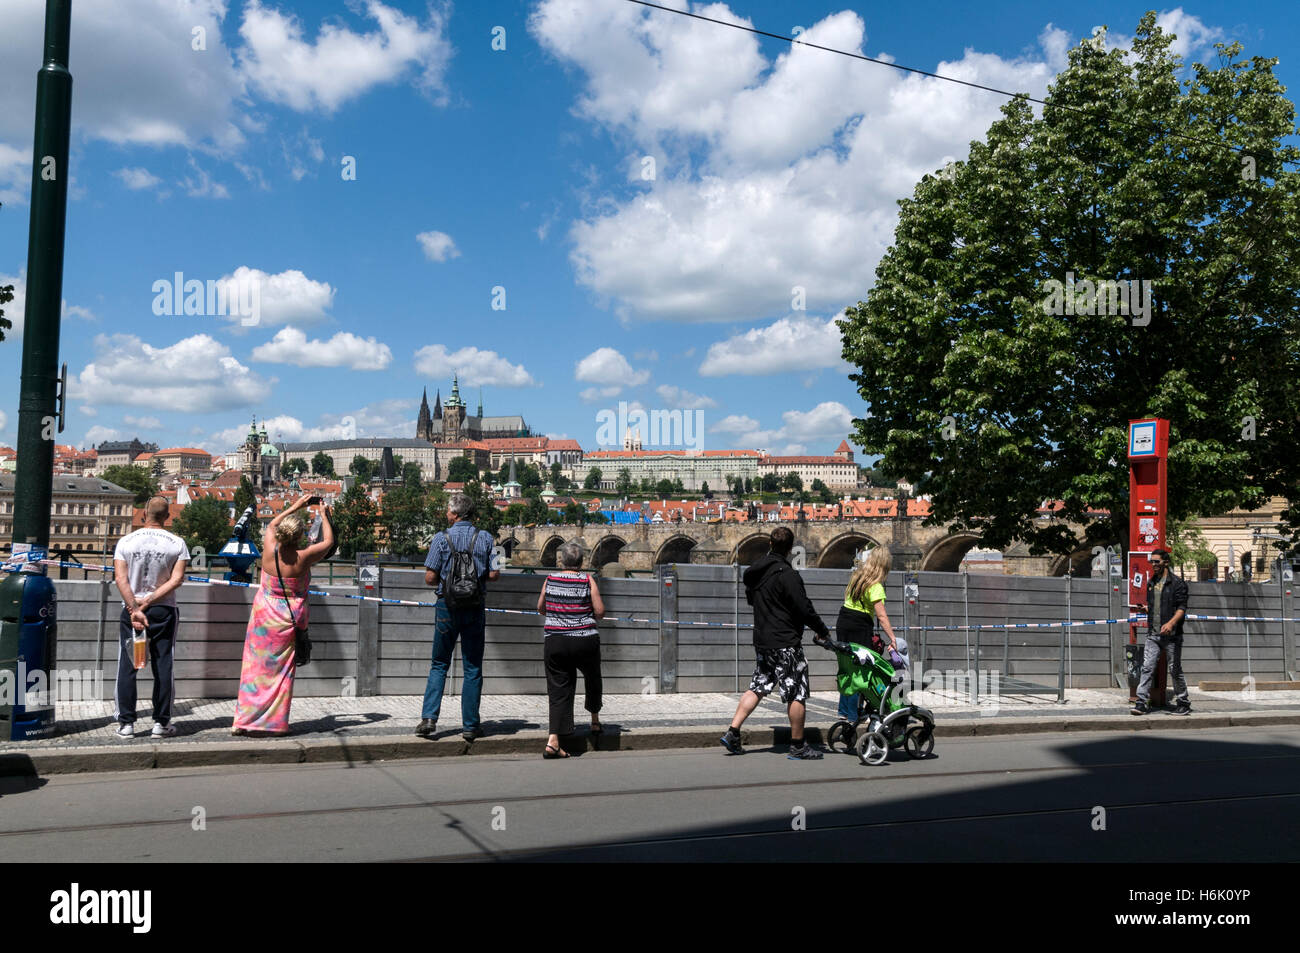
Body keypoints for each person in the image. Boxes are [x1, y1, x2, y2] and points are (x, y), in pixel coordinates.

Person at [721, 526, 831, 760]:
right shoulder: (788, 575)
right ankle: (798, 745)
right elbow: (804, 609)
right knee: (796, 692)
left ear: (770, 545)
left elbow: (752, 601)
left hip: (763, 641)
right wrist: (822, 630)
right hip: (786, 642)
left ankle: (733, 732)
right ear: (790, 549)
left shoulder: (756, 574)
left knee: (758, 685)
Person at [232, 494, 333, 735]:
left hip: (262, 617)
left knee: (254, 670)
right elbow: (328, 542)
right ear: (299, 537)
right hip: (288, 621)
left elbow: (273, 524)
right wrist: (323, 516)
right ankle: (275, 724)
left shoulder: (269, 546)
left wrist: (295, 506)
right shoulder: (303, 557)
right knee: (282, 672)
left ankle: (243, 721)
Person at [416, 492, 499, 741]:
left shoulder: (441, 539)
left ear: (454, 514)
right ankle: (471, 725)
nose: (446, 514)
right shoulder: (485, 538)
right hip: (475, 605)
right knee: (473, 667)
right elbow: (495, 575)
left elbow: (430, 577)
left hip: (446, 606)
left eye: (447, 510)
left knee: (439, 663)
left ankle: (429, 719)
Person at [112, 497, 189, 739]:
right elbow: (176, 580)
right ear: (168, 516)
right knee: (163, 665)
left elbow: (120, 580)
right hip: (163, 610)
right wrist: (149, 601)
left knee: (128, 666)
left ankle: (126, 724)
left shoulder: (125, 541)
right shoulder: (177, 543)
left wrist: (135, 607)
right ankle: (161, 723)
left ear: (144, 513)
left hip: (131, 610)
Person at [536, 542, 605, 759]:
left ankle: (553, 740)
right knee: (593, 677)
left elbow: (540, 608)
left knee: (558, 689)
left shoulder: (550, 579)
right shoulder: (587, 579)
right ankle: (594, 721)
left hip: (556, 641)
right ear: (581, 562)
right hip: (584, 640)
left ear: (562, 561)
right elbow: (600, 611)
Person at [834, 545, 901, 723]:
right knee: (860, 671)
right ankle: (853, 714)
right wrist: (892, 638)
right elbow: (881, 615)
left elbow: (847, 600)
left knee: (847, 667)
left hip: (843, 621)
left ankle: (843, 711)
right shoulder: (875, 585)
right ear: (885, 564)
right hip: (859, 626)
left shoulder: (856, 578)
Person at [1132, 548, 1191, 715]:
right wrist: (1147, 609)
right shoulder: (1152, 582)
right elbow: (1156, 605)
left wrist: (1171, 623)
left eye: (1156, 561)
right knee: (1147, 667)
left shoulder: (1177, 583)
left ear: (1166, 562)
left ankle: (1183, 702)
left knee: (1174, 669)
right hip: (1153, 633)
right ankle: (1141, 702)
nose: (1153, 564)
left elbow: (1181, 608)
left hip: (1172, 635)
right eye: (1151, 561)